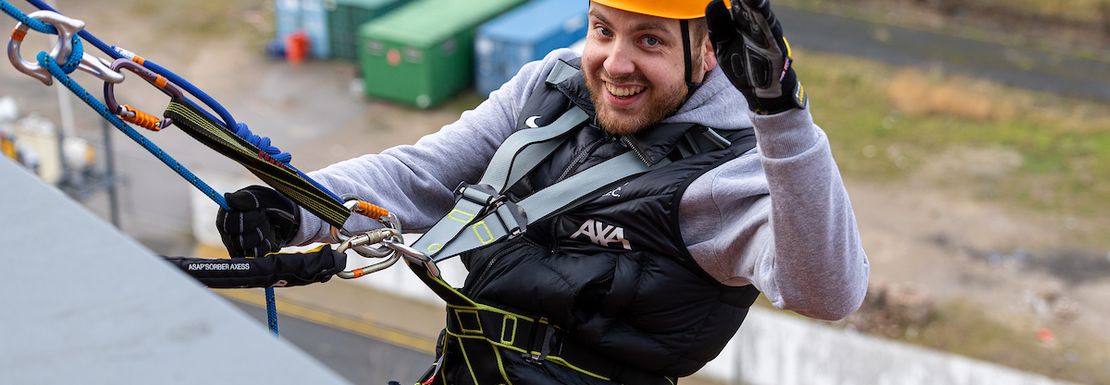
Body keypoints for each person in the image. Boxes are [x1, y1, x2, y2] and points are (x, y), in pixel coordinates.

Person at [217, 0, 869, 383]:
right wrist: (295, 206)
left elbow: (828, 291)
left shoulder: (734, 173)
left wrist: (781, 114)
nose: (614, 63)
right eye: (602, 28)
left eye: (650, 41)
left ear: (707, 55)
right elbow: (425, 175)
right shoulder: (552, 88)